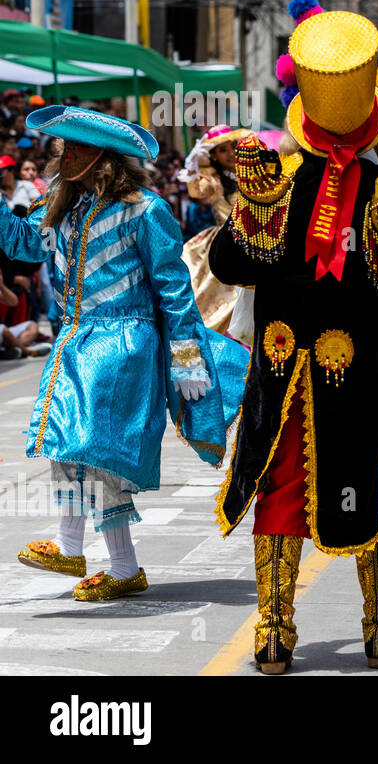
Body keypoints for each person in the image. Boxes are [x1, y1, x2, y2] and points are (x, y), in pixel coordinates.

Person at [209, 10, 378, 673]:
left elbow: (229, 264)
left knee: (282, 491)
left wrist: (253, 211)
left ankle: (273, 632)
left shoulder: (278, 187)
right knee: (374, 492)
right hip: (360, 380)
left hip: (286, 372)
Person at [8, 105, 246, 600]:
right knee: (69, 440)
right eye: (61, 148)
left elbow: (173, 285)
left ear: (103, 158)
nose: (63, 157)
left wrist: (185, 356)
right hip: (75, 337)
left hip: (123, 342)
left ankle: (93, 552)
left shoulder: (146, 208)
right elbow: (24, 244)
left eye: (74, 148)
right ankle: (102, 557)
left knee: (93, 445)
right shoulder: (60, 205)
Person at [177, 124, 252, 337]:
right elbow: (196, 190)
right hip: (226, 242)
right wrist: (192, 167)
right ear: (214, 157)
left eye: (232, 147)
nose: (230, 153)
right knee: (227, 299)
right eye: (222, 150)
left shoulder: (250, 173)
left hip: (253, 240)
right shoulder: (214, 181)